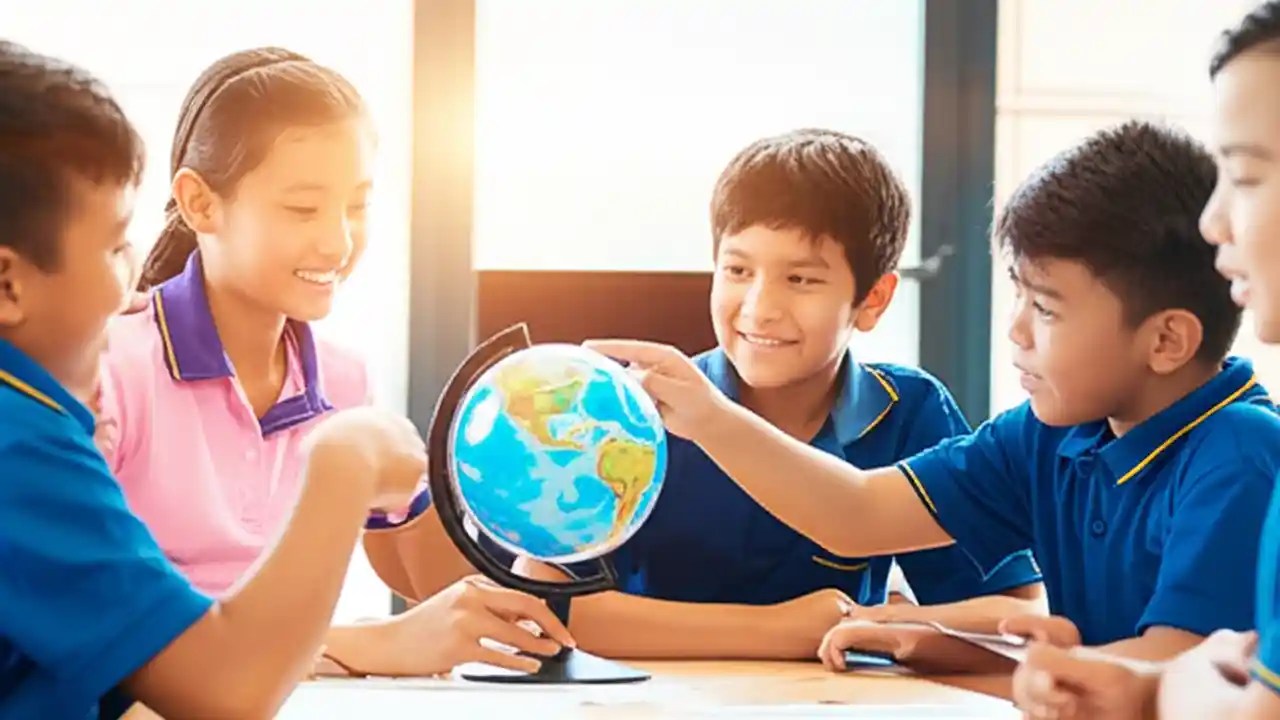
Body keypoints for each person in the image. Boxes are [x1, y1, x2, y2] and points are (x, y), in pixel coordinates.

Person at [590, 120, 1280, 672]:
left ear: (1166, 342)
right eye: (1017, 293)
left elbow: (1173, 667)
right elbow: (858, 513)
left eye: (1045, 308)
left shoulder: (1240, 451)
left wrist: (1019, 658)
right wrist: (939, 637)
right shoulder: (1043, 434)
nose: (1012, 329)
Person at [366, 128, 1044, 660]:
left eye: (801, 281)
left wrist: (874, 621)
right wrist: (780, 631)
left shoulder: (913, 411)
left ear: (872, 300)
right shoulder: (631, 413)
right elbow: (544, 604)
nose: (760, 308)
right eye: (737, 270)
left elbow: (1014, 611)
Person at [96, 47, 567, 679]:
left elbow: (448, 589)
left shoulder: (343, 383)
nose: (339, 243)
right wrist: (366, 643)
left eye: (357, 205)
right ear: (200, 203)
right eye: (302, 209)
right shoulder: (111, 369)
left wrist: (545, 500)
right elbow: (95, 626)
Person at [0, 40, 437, 718]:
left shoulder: (38, 425)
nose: (131, 284)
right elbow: (221, 689)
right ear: (8, 285)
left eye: (357, 205)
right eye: (116, 247)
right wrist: (344, 463)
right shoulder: (21, 447)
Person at [1016, 4, 1280, 718]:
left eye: (1248, 177)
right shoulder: (1052, 427)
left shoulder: (1245, 449)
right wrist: (1153, 688)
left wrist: (1164, 683)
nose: (1213, 221)